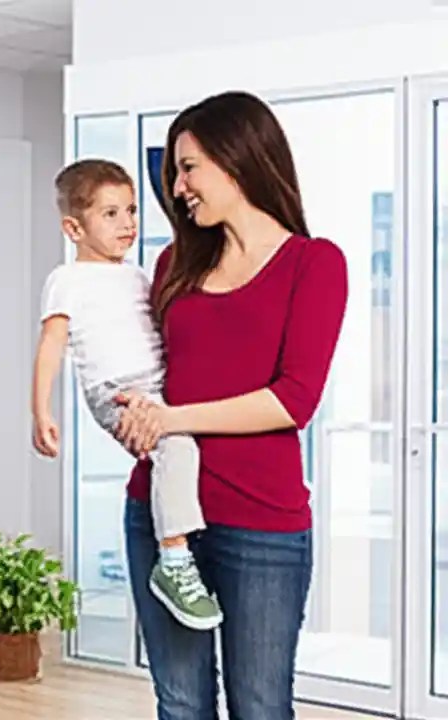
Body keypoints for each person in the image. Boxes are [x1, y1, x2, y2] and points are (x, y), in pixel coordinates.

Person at [113, 90, 348, 719]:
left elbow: (293, 400)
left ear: (236, 159)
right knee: (182, 703)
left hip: (262, 524)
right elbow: (149, 376)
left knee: (260, 706)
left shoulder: (314, 264)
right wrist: (132, 416)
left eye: (188, 168)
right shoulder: (172, 264)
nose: (178, 186)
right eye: (176, 173)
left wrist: (172, 418)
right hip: (160, 516)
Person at [31, 158, 220, 632]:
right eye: (110, 213)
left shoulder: (137, 274)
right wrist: (41, 411)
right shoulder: (67, 281)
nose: (128, 223)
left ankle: (183, 545)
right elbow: (51, 346)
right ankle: (174, 560)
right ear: (74, 227)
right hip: (117, 392)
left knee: (183, 449)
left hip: (157, 384)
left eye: (132, 210)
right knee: (176, 448)